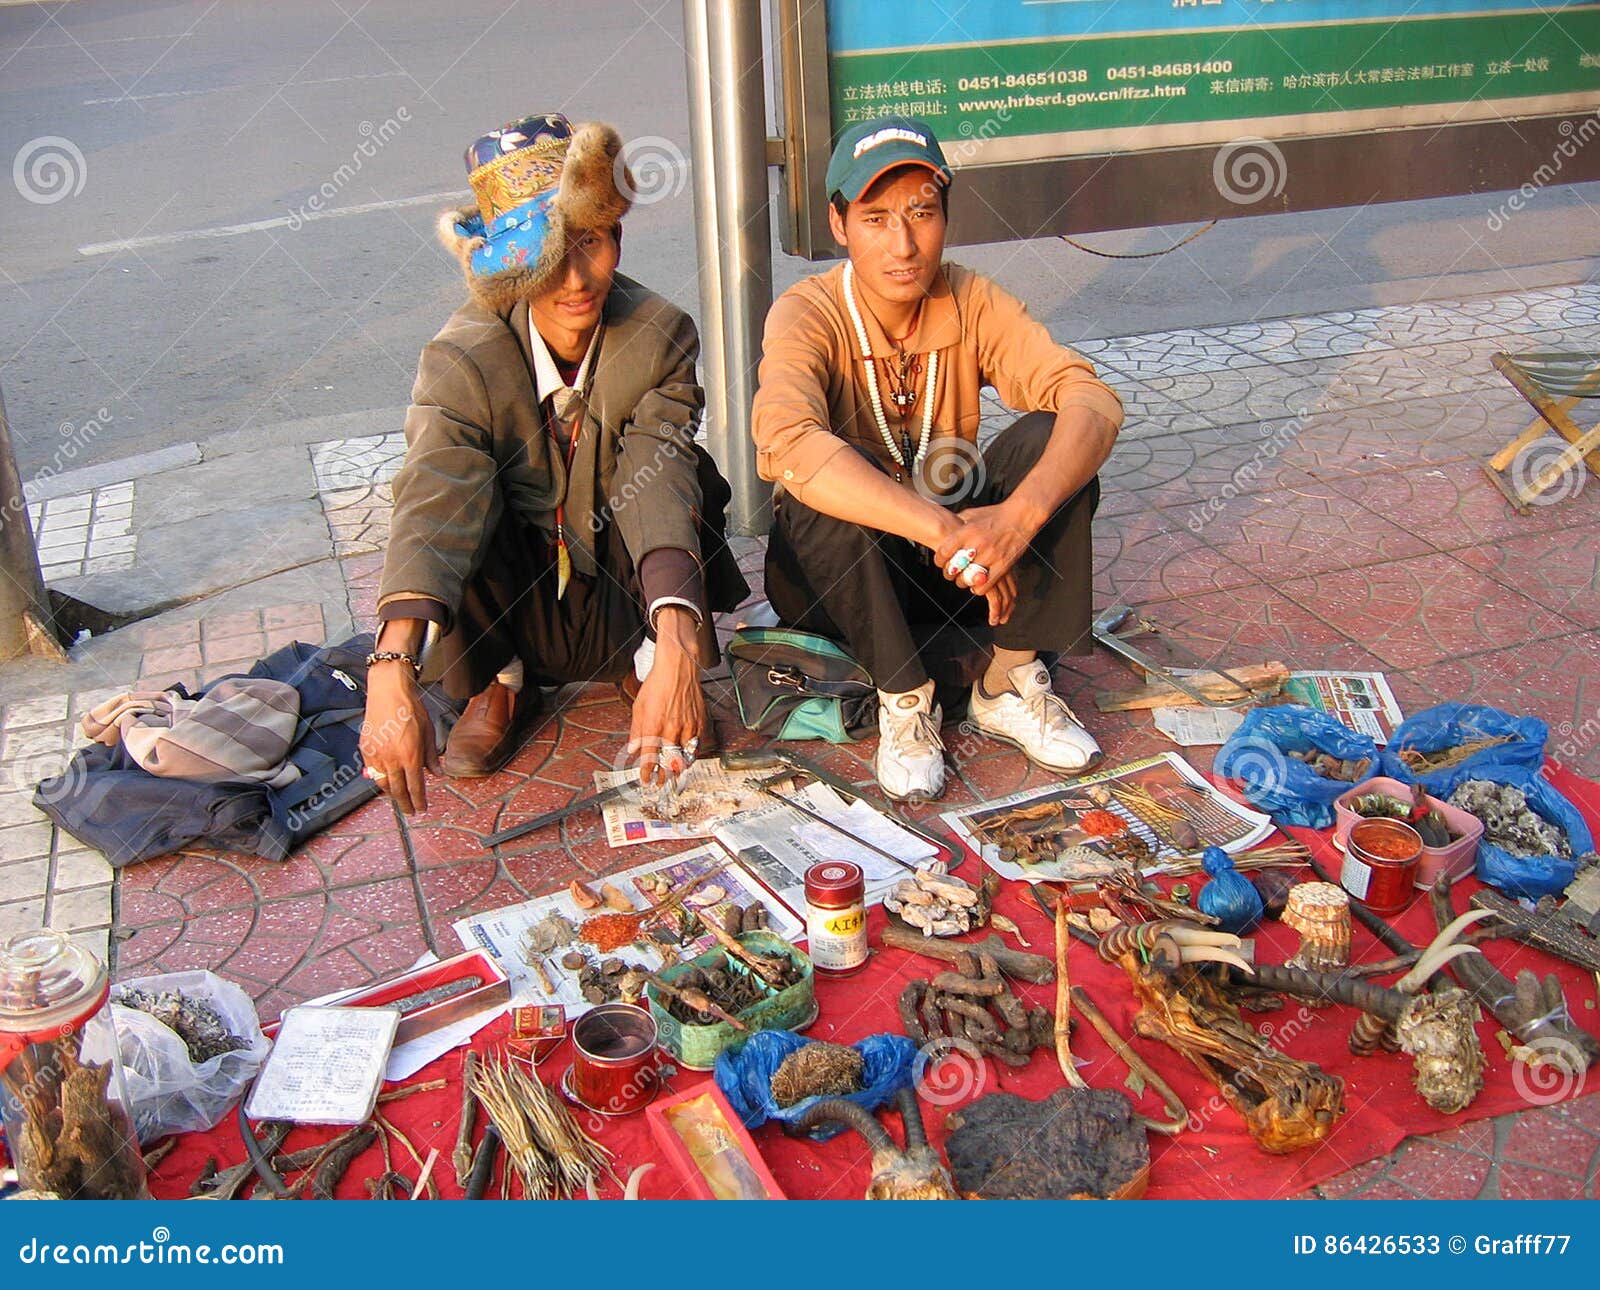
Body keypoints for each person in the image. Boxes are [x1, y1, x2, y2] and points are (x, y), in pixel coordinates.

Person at [359, 113, 747, 814]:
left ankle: (651, 662)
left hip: (615, 586)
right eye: (546, 253)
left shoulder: (659, 336)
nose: (574, 279)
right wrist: (391, 667)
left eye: (589, 242)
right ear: (509, 267)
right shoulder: (463, 356)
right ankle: (500, 681)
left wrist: (683, 651)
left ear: (617, 241)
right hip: (520, 597)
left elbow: (654, 480)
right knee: (466, 503)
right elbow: (433, 495)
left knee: (684, 477)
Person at [750, 116, 1123, 802]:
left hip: (952, 572)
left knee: (1050, 437)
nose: (903, 243)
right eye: (876, 218)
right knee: (818, 483)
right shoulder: (808, 312)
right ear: (839, 224)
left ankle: (1007, 680)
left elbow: (1091, 400)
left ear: (945, 216)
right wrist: (949, 532)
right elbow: (784, 439)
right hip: (844, 578)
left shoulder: (970, 297)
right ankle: (905, 700)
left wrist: (1015, 519)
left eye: (922, 212)